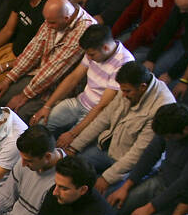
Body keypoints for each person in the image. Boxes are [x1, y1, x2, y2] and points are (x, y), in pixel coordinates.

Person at [65, 61, 174, 191]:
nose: (123, 95)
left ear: (142, 87)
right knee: (71, 170)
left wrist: (107, 178)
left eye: (127, 91)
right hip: (109, 148)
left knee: (101, 195)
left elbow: (138, 153)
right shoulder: (128, 89)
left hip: (130, 164)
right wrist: (74, 147)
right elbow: (102, 120)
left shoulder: (161, 108)